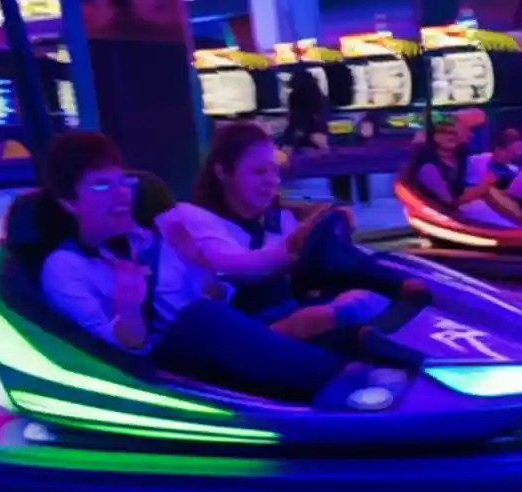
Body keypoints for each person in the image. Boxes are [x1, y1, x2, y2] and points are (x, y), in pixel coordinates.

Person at [37, 131, 396, 405]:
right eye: (101, 185)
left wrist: (193, 257)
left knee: (339, 312)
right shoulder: (65, 269)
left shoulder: (150, 238)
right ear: (69, 202)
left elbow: (218, 295)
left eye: (122, 183)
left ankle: (399, 364)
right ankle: (352, 384)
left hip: (214, 339)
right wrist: (129, 308)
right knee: (202, 321)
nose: (120, 195)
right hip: (159, 372)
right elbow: (113, 358)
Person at [180, 122, 422, 343]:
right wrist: (307, 229)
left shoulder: (276, 219)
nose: (272, 181)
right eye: (258, 172)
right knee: (346, 308)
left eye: (274, 171)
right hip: (246, 334)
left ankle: (410, 290)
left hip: (290, 312)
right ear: (223, 173)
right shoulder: (201, 225)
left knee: (364, 280)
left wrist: (324, 218)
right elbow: (243, 269)